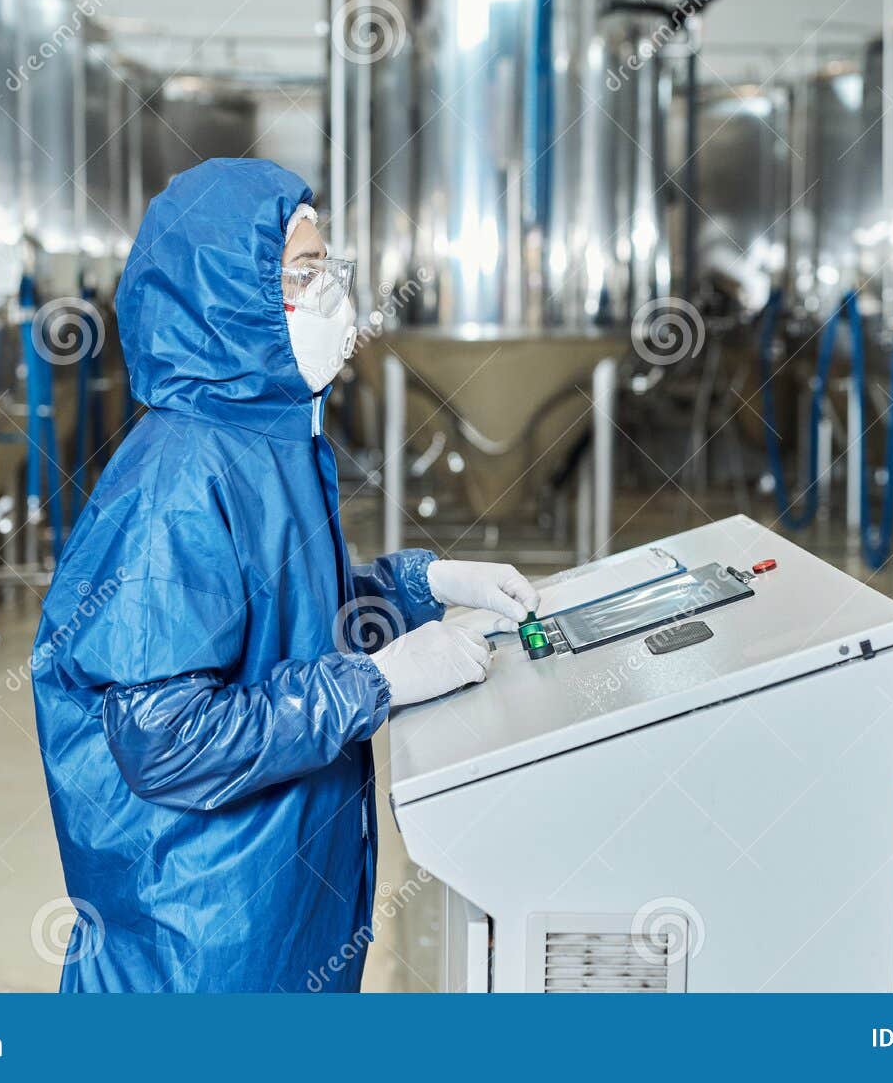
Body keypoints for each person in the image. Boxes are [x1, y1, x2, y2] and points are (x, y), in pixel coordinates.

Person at [30, 158, 539, 992]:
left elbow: (290, 620)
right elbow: (167, 737)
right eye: (305, 273)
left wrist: (423, 586)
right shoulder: (177, 482)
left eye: (327, 269)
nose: (333, 294)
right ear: (227, 296)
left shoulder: (270, 440)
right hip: (201, 934)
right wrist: (371, 683)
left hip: (281, 899)